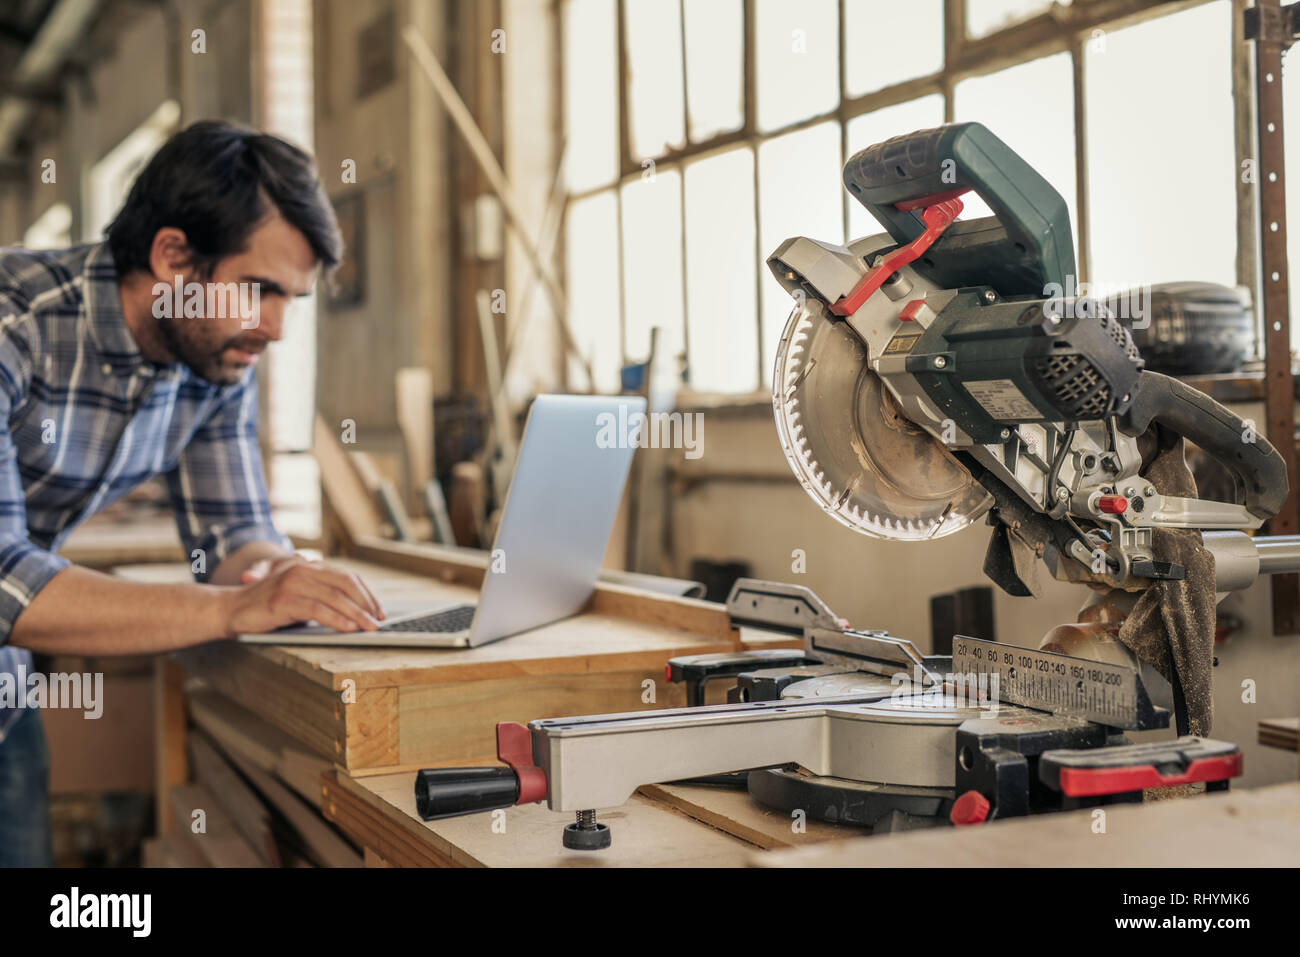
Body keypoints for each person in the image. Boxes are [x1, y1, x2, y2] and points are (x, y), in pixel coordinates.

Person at [0, 120, 387, 866]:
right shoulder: (15, 325)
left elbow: (231, 535)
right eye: (259, 290)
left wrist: (284, 575)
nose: (274, 327)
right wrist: (234, 608)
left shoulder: (214, 354)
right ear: (174, 258)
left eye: (291, 300)